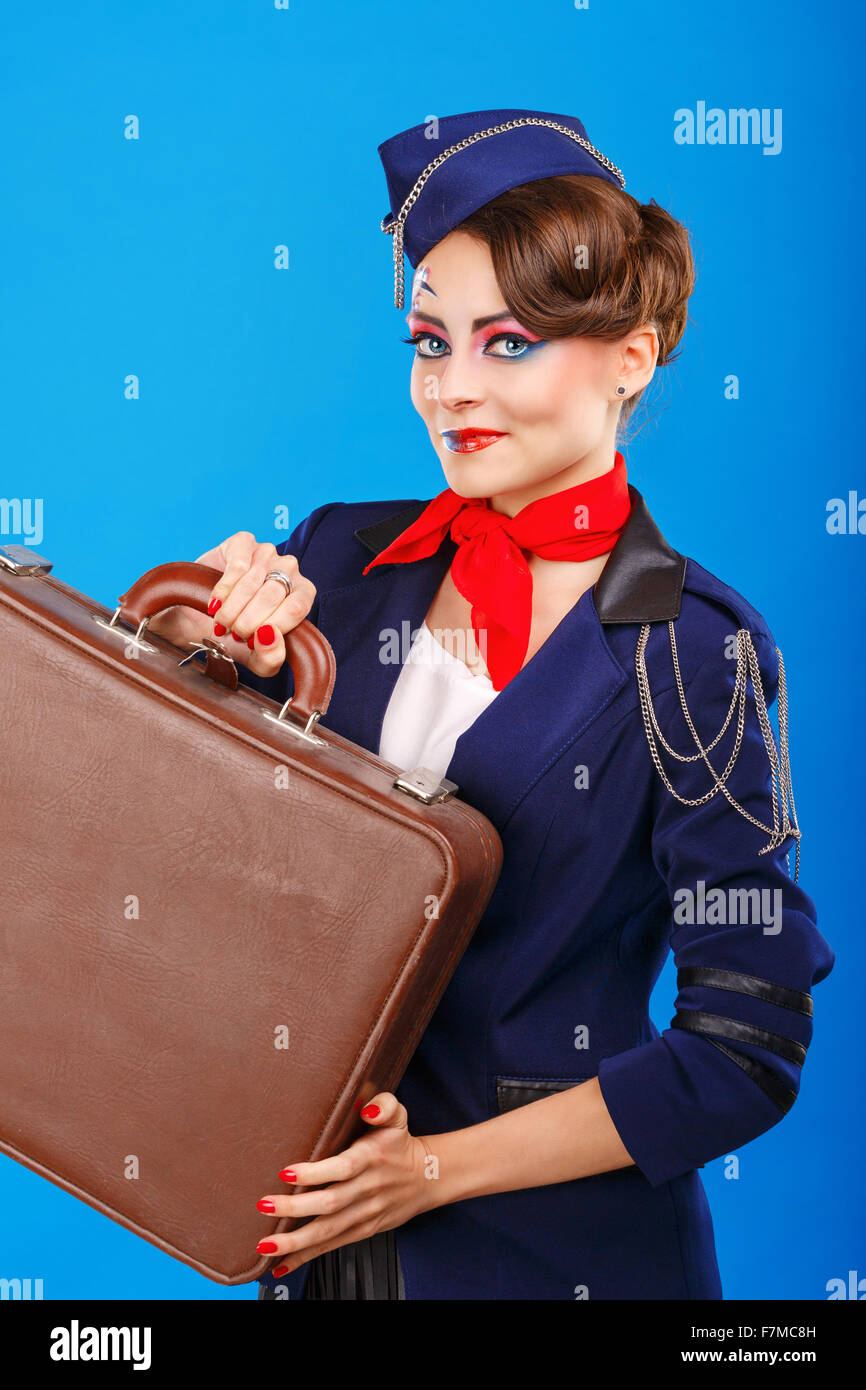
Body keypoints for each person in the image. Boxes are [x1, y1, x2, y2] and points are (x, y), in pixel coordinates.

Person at [149, 109, 834, 1300]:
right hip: (315, 1262)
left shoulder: (695, 648)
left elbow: (746, 1048)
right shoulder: (340, 561)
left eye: (506, 344)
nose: (450, 391)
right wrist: (183, 659)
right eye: (429, 341)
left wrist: (428, 1170)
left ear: (631, 353)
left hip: (556, 1264)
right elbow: (197, 878)